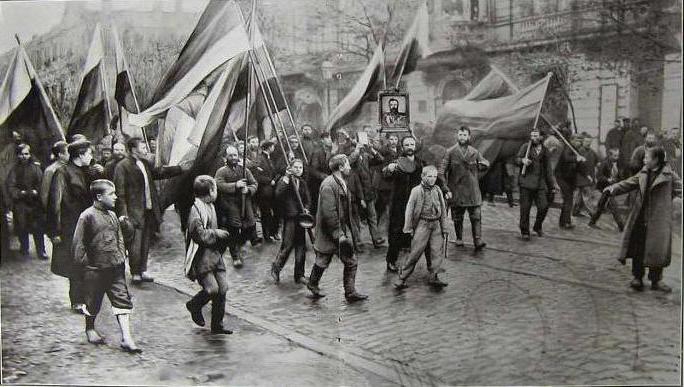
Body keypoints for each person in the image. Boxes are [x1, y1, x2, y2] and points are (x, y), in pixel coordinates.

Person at [72, 179, 141, 352]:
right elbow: (78, 246)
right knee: (93, 301)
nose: (116, 197)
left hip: (115, 268)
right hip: (95, 270)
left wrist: (122, 249)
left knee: (122, 300)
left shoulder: (112, 215)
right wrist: (88, 266)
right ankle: (90, 328)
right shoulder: (86, 216)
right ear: (99, 197)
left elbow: (120, 239)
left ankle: (126, 338)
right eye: (111, 194)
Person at [603, 146, 681, 292]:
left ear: (656, 160)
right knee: (638, 248)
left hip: (658, 221)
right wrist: (613, 188)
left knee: (657, 251)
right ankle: (637, 277)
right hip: (640, 217)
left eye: (647, 158)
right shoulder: (644, 172)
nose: (644, 160)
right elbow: (629, 183)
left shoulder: (670, 175)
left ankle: (656, 280)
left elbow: (681, 189)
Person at [113, 137, 186, 284]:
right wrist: (123, 214)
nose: (146, 149)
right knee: (135, 242)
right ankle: (135, 272)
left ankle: (143, 269)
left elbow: (158, 172)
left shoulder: (144, 163)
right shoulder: (122, 166)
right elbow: (119, 193)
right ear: (134, 149)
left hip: (148, 208)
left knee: (145, 240)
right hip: (134, 211)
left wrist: (179, 169)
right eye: (143, 147)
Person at [307, 154, 367, 302]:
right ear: (340, 167)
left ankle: (350, 292)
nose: (349, 167)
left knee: (350, 261)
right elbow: (329, 213)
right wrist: (339, 235)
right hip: (331, 233)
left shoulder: (340, 181)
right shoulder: (329, 185)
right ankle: (313, 283)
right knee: (323, 261)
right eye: (347, 164)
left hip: (337, 232)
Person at [48, 139, 100, 314]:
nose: (92, 157)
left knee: (88, 262)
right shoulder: (62, 173)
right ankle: (77, 301)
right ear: (80, 155)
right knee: (75, 263)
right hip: (71, 226)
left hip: (88, 225)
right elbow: (54, 203)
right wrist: (55, 230)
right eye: (89, 154)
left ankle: (87, 298)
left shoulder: (88, 172)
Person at [184, 175, 233, 334]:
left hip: (214, 255)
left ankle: (217, 325)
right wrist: (216, 233)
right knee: (212, 289)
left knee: (223, 287)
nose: (216, 192)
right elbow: (198, 235)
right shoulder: (195, 210)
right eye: (215, 189)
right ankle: (194, 305)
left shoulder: (210, 205)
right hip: (201, 257)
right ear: (210, 191)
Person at [393, 166, 448, 289]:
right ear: (423, 176)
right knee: (415, 252)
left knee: (436, 252)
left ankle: (434, 276)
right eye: (429, 176)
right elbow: (409, 210)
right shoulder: (416, 191)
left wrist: (444, 227)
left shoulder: (437, 190)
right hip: (422, 224)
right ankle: (402, 278)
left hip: (436, 225)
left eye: (434, 176)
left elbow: (443, 210)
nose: (433, 179)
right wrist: (408, 228)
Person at [439, 126, 490, 250]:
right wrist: (445, 188)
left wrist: (482, 165)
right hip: (456, 190)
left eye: (464, 135)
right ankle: (459, 238)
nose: (462, 137)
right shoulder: (450, 152)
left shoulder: (474, 152)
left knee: (476, 216)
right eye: (460, 135)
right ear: (457, 136)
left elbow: (485, 163)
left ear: (469, 137)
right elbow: (441, 172)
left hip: (473, 191)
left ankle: (477, 240)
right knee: (457, 217)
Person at [384, 136, 425, 272]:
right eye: (406, 144)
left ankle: (412, 262)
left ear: (415, 146)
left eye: (412, 144)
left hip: (416, 204)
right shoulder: (396, 162)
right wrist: (389, 169)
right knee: (395, 232)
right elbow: (386, 173)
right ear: (402, 147)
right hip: (399, 204)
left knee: (416, 233)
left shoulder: (421, 163)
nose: (409, 147)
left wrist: (445, 190)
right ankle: (391, 261)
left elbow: (433, 178)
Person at [215, 145, 258, 267]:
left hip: (245, 202)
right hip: (230, 203)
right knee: (233, 229)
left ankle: (239, 243)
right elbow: (219, 185)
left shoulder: (245, 170)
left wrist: (248, 190)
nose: (233, 158)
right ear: (226, 157)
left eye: (235, 155)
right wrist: (236, 185)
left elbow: (254, 183)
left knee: (250, 225)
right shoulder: (221, 171)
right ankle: (235, 256)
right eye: (230, 155)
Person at [270, 159, 311, 284]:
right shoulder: (285, 181)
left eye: (301, 167)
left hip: (301, 218)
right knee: (287, 245)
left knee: (301, 246)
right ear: (290, 168)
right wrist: (287, 178)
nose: (298, 169)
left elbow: (308, 198)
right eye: (296, 167)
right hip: (290, 217)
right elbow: (278, 193)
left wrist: (307, 208)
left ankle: (299, 275)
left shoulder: (302, 182)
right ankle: (276, 268)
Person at [6, 143, 47, 259]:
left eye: (26, 154)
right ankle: (24, 248)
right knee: (21, 226)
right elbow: (11, 185)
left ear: (30, 154)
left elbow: (42, 183)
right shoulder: (14, 170)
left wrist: (37, 192)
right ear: (18, 155)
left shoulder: (36, 168)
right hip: (21, 203)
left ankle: (41, 250)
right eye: (21, 154)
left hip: (34, 202)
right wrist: (19, 193)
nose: (24, 156)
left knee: (38, 227)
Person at [517, 129, 557, 240]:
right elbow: (517, 159)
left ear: (541, 137)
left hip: (539, 185)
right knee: (525, 209)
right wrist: (522, 161)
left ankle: (537, 227)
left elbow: (548, 170)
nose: (533, 138)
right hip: (526, 183)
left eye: (535, 135)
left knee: (544, 206)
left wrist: (552, 186)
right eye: (532, 135)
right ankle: (525, 231)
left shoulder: (545, 151)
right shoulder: (526, 147)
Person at [252, 139, 282, 242]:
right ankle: (267, 235)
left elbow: (272, 172)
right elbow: (257, 176)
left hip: (271, 191)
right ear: (269, 148)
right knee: (266, 214)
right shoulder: (260, 159)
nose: (274, 148)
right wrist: (270, 181)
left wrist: (275, 179)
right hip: (263, 192)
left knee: (276, 212)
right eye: (272, 146)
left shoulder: (269, 158)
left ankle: (273, 233)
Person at [589, 148, 625, 231]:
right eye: (615, 156)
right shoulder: (604, 163)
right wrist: (607, 179)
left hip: (612, 187)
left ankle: (592, 222)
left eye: (618, 155)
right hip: (604, 188)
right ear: (610, 155)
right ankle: (621, 227)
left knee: (601, 206)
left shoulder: (618, 164)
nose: (617, 157)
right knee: (614, 207)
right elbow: (599, 176)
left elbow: (620, 175)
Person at [308, 132, 333, 217]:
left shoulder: (330, 151)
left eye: (330, 138)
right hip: (316, 183)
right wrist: (324, 176)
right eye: (328, 138)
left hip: (325, 183)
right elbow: (312, 170)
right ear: (322, 140)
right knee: (317, 206)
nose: (330, 140)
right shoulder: (317, 152)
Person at [573, 134, 598, 217]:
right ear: (583, 142)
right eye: (586, 141)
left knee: (579, 196)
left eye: (590, 142)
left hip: (589, 177)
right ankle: (592, 213)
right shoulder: (579, 151)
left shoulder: (592, 152)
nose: (588, 143)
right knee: (586, 196)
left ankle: (575, 211)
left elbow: (597, 162)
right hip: (581, 177)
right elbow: (578, 166)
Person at [41, 141, 69, 214]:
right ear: (60, 154)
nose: (70, 154)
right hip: (56, 211)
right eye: (68, 152)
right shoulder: (50, 170)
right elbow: (45, 193)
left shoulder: (68, 167)